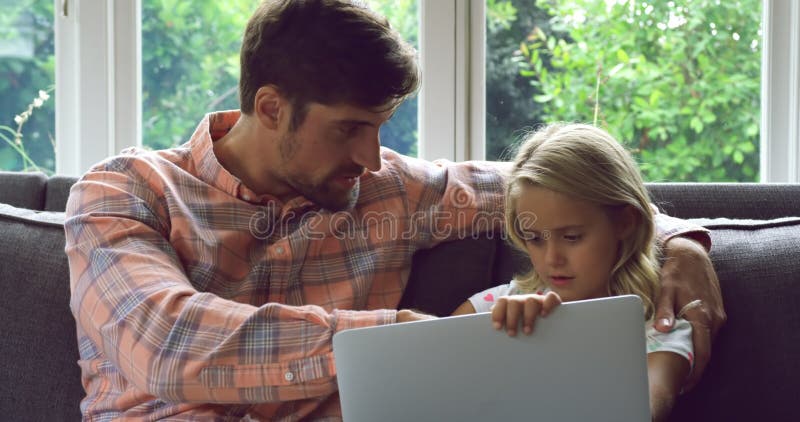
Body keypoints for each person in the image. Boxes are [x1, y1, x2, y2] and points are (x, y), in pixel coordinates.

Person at [64, 0, 724, 420]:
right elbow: (167, 344)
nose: (372, 157)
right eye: (350, 129)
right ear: (271, 108)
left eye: (379, 127)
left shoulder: (389, 191)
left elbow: (564, 190)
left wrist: (682, 243)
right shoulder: (125, 193)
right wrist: (397, 336)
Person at [453, 123, 702, 421]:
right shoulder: (496, 306)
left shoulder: (658, 329)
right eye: (534, 238)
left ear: (625, 222)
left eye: (571, 237)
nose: (552, 259)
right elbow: (434, 377)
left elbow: (640, 411)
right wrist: (494, 340)